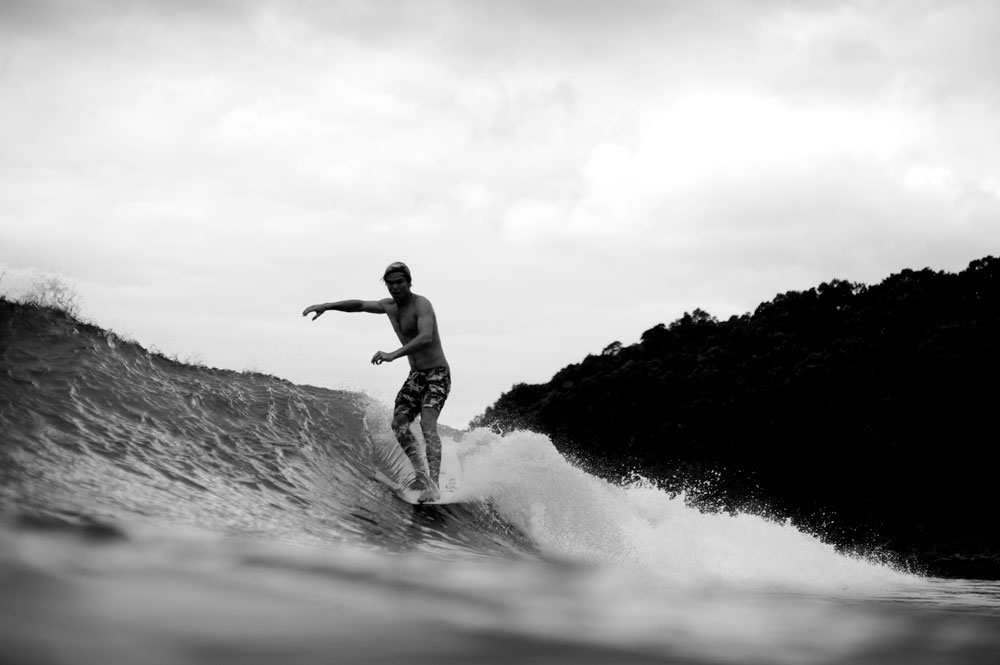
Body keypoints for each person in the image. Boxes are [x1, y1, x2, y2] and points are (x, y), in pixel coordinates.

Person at [302, 262, 450, 503]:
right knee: (399, 424)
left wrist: (393, 354)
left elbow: (425, 337)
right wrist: (327, 306)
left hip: (437, 374)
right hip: (416, 376)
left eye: (399, 282)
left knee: (427, 424)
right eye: (390, 283)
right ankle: (421, 475)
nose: (395, 287)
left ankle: (434, 484)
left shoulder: (421, 304)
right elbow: (359, 305)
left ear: (409, 282)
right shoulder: (388, 306)